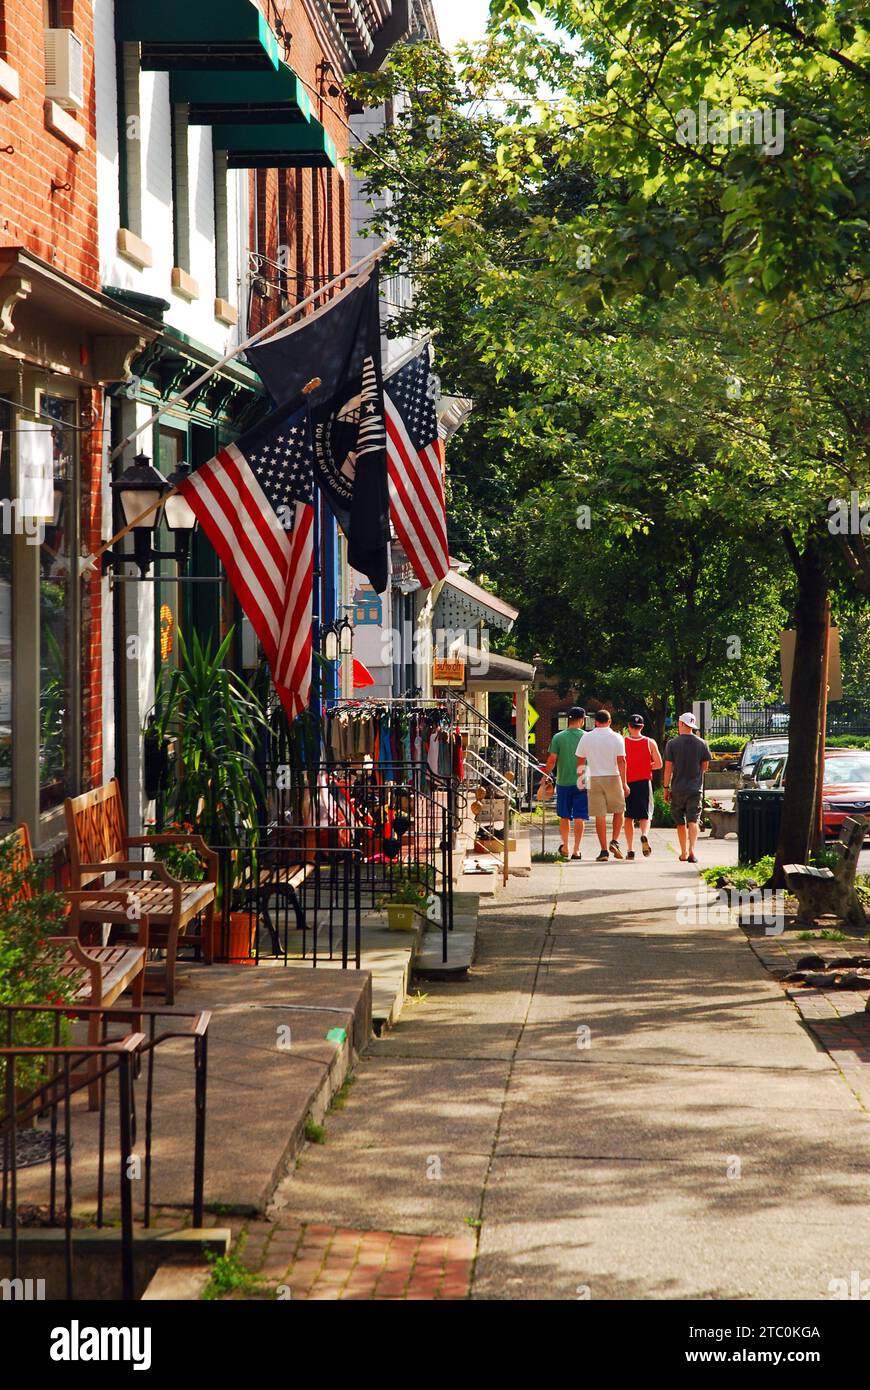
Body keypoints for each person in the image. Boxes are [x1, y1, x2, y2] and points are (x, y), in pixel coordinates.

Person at [577, 709, 629, 862]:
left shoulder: (587, 737)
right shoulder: (617, 737)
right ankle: (614, 840)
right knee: (619, 810)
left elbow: (580, 760)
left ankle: (604, 850)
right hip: (613, 776)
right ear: (610, 721)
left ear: (595, 722)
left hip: (594, 777)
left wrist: (581, 779)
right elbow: (622, 761)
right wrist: (624, 783)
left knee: (600, 815)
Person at [663, 712, 711, 863]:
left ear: (682, 724)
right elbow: (705, 766)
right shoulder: (702, 743)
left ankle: (683, 852)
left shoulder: (672, 744)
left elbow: (668, 768)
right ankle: (692, 851)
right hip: (695, 788)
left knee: (680, 822)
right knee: (693, 819)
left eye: (679, 723)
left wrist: (666, 787)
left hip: (677, 787)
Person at [542, 707, 588, 859]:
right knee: (580, 816)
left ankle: (566, 846)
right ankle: (577, 849)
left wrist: (545, 775)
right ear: (582, 720)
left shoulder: (558, 737)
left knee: (564, 816)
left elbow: (552, 760)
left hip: (563, 782)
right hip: (582, 781)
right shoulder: (587, 737)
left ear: (569, 719)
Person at [623, 714, 663, 859]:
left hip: (627, 782)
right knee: (645, 814)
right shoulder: (649, 742)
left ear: (629, 726)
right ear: (642, 727)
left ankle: (630, 849)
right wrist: (647, 765)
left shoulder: (623, 742)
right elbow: (659, 764)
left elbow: (619, 762)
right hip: (644, 782)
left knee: (628, 817)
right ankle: (644, 835)